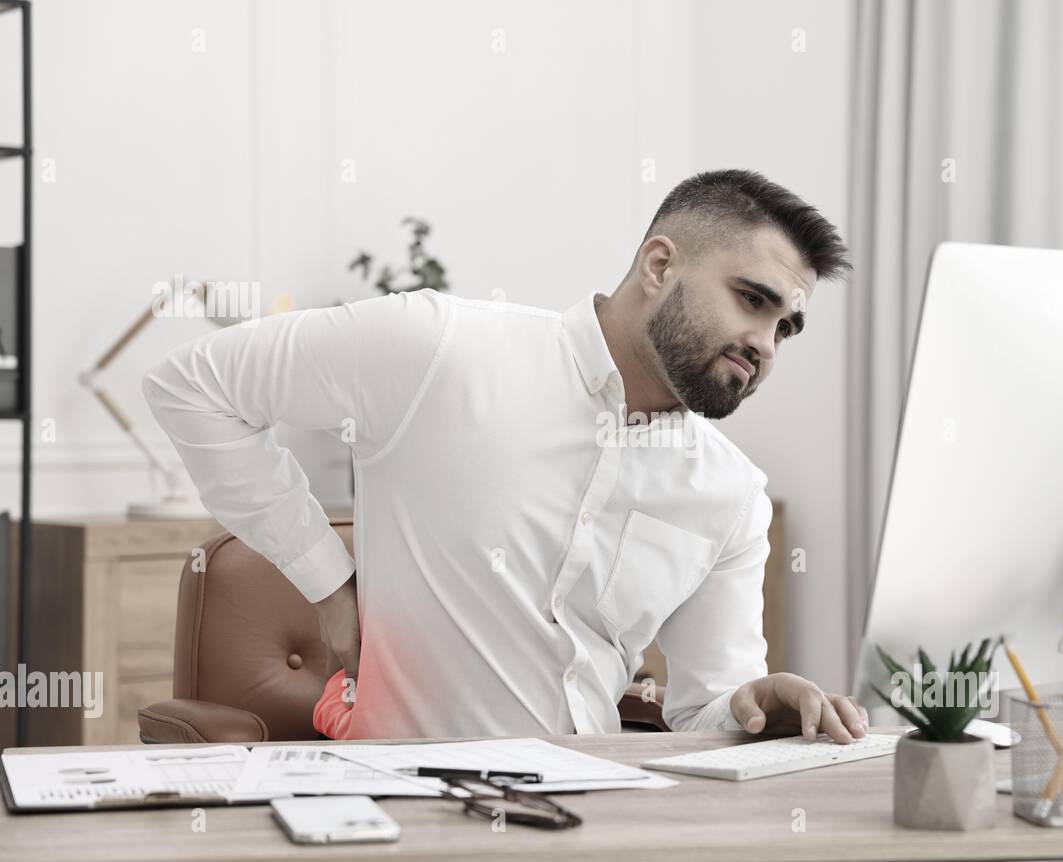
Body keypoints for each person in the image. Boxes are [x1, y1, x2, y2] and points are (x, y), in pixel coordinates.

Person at [144, 168, 867, 743]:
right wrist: (329, 583)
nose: (766, 345)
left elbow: (704, 710)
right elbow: (190, 386)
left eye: (787, 327)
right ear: (658, 265)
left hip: (607, 822)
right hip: (412, 821)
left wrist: (753, 707)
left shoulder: (732, 497)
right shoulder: (439, 351)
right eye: (751, 300)